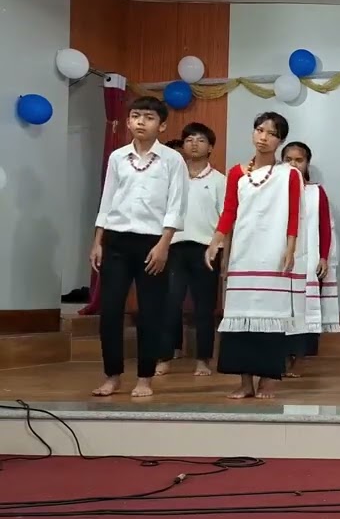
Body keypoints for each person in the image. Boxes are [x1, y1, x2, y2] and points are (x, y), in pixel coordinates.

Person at [89, 96, 187, 397]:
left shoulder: (172, 159)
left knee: (150, 311)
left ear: (162, 124)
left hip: (152, 243)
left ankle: (145, 377)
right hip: (117, 239)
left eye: (148, 117)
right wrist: (98, 240)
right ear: (129, 121)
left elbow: (176, 205)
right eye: (135, 116)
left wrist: (164, 245)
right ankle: (112, 375)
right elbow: (107, 199)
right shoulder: (118, 157)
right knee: (110, 310)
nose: (140, 122)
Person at [205, 112, 305, 399]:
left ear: (280, 140)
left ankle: (269, 380)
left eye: (271, 133)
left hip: (273, 254)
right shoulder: (237, 172)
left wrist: (290, 247)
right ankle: (244, 381)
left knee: (270, 318)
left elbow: (293, 213)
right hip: (244, 254)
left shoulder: (289, 174)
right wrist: (216, 241)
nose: (263, 137)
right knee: (240, 318)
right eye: (259, 130)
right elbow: (229, 211)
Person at [155, 123, 224, 377]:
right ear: (182, 146)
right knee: (169, 304)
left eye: (201, 140)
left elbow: (226, 219)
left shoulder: (219, 181)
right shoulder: (170, 178)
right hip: (173, 248)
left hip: (206, 250)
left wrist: (218, 249)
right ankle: (163, 357)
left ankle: (203, 360)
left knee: (204, 308)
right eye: (190, 139)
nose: (194, 143)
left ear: (211, 147)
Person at [281, 142, 339, 374]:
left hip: (308, 258)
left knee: (303, 307)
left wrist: (324, 257)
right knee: (282, 306)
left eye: (299, 160)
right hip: (282, 258)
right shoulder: (275, 189)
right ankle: (280, 357)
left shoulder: (316, 192)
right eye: (288, 159)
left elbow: (325, 226)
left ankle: (297, 357)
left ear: (307, 164)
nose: (293, 164)